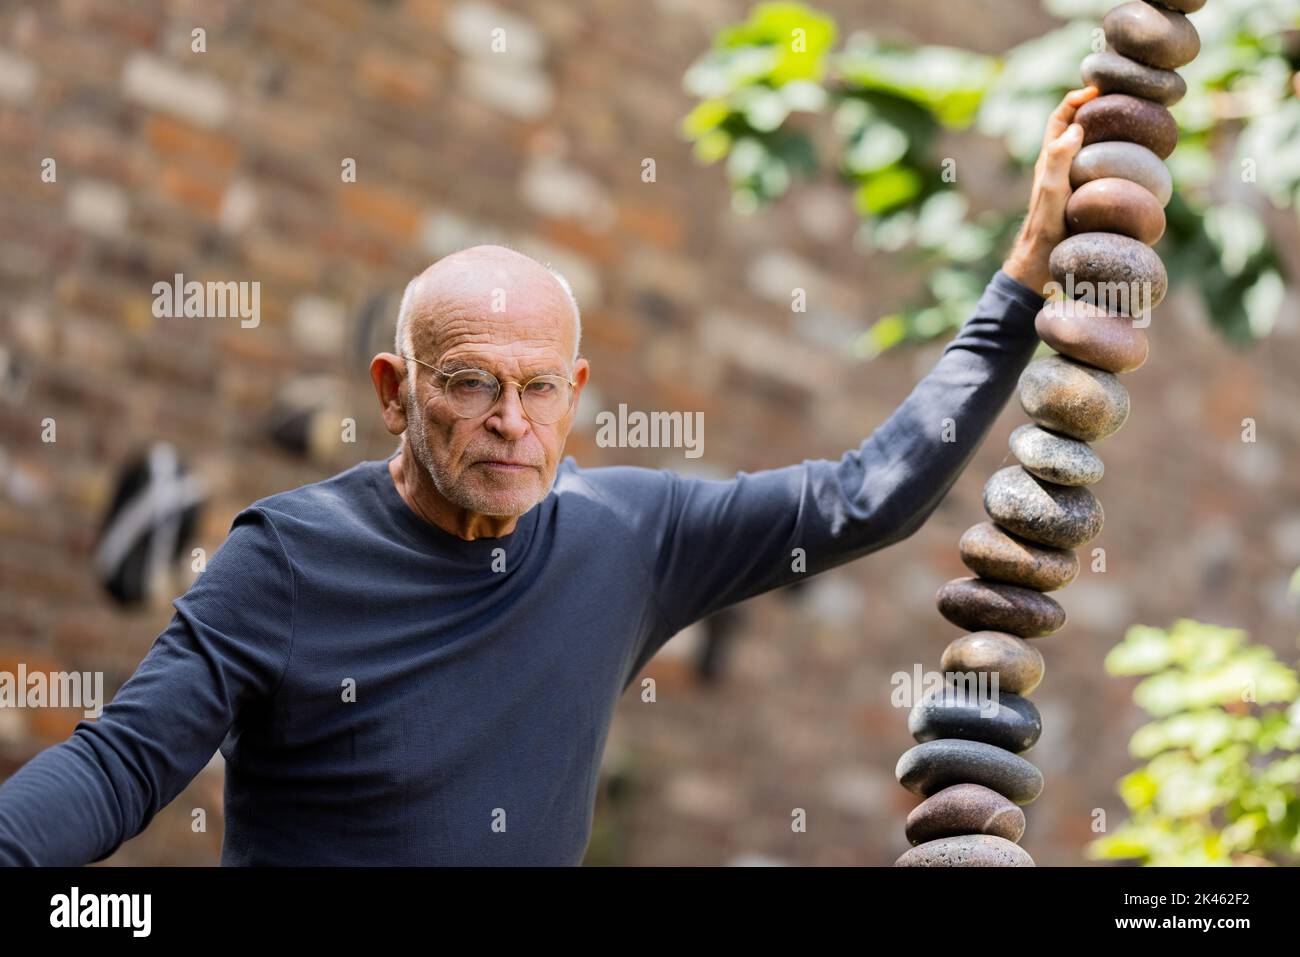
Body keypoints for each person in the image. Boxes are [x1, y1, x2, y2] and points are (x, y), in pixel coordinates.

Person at [0, 89, 1099, 866]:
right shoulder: (285, 558)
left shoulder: (628, 532)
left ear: (575, 392)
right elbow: (116, 771)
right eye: (470, 385)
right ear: (395, 391)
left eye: (537, 391)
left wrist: (1020, 279)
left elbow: (870, 496)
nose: (509, 425)